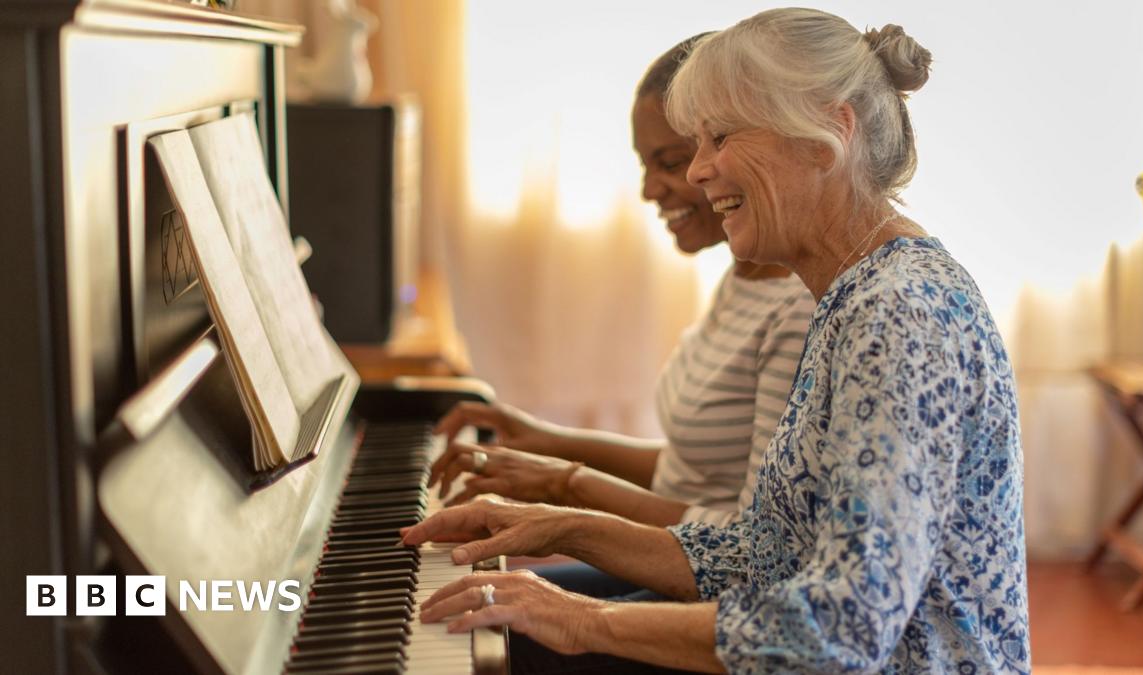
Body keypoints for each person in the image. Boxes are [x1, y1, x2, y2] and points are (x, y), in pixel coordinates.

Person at [404, 8, 1031, 674]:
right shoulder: (853, 294)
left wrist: (582, 617)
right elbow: (766, 555)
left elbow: (843, 629)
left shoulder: (899, 313)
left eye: (720, 137)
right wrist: (561, 522)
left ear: (829, 133)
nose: (700, 172)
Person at [428, 36, 816, 537]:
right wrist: (549, 441)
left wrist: (564, 484)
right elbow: (687, 474)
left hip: (698, 575)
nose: (648, 190)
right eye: (644, 165)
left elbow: (752, 543)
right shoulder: (746, 274)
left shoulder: (795, 312)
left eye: (670, 163)